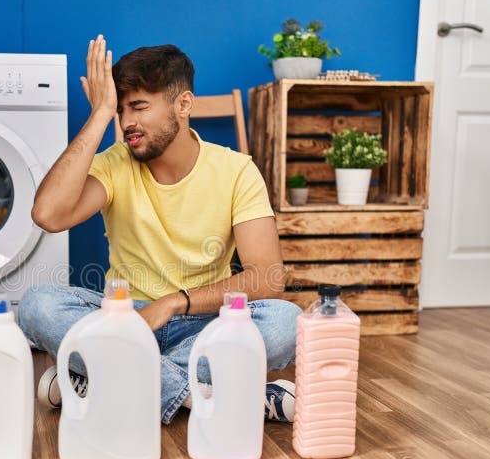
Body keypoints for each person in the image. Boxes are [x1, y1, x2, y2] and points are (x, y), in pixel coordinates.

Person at [18, 35, 301, 425]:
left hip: (205, 321)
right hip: (124, 320)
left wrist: (172, 303)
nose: (127, 122)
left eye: (138, 106)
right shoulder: (115, 164)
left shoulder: (237, 171)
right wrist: (100, 115)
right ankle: (203, 396)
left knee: (286, 322)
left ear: (183, 104)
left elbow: (266, 280)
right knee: (36, 306)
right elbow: (48, 215)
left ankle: (101, 379)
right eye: (121, 110)